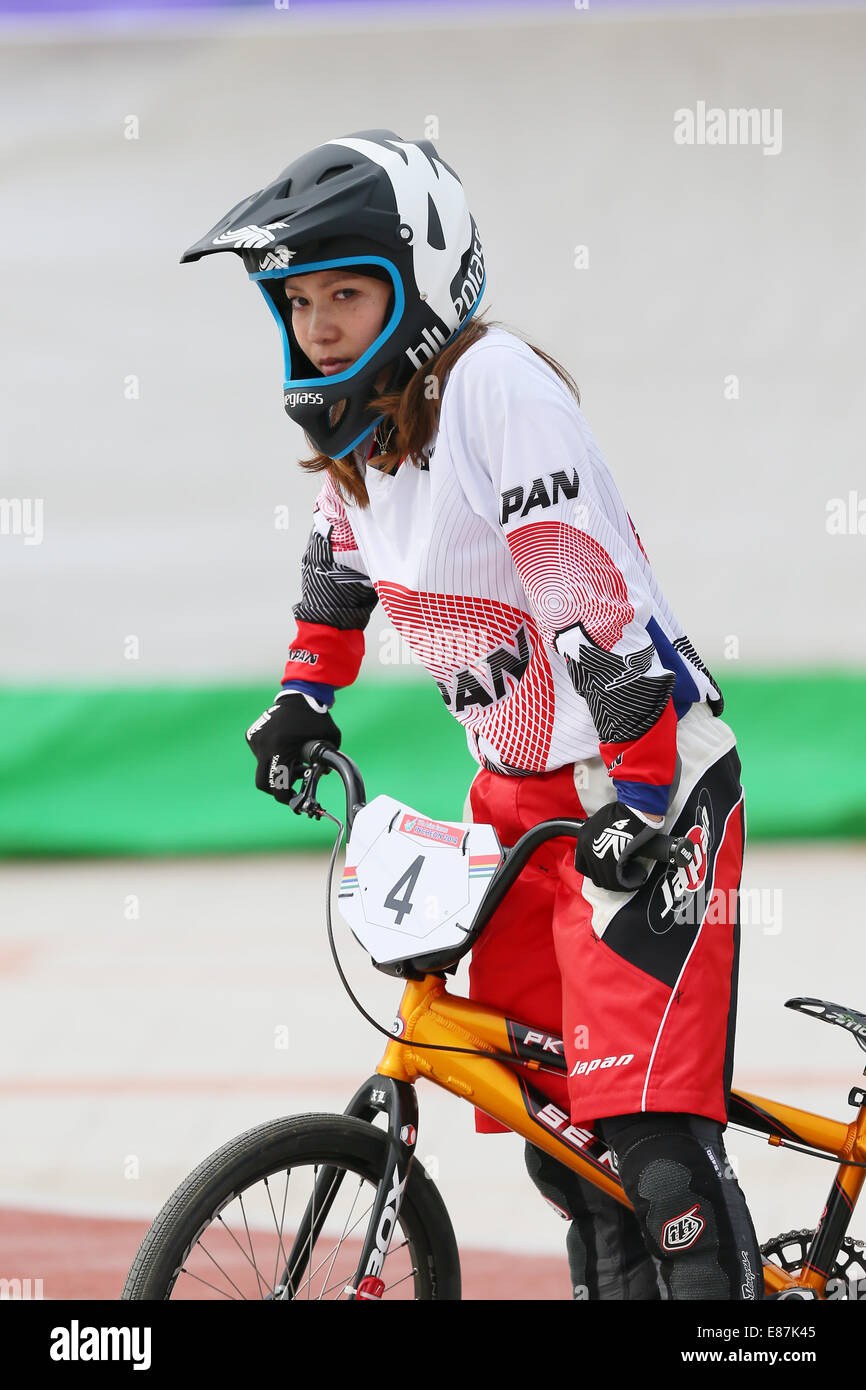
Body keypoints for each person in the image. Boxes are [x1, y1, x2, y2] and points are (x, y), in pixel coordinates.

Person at [181, 129, 763, 1300]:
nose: (320, 326)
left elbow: (588, 600)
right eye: (297, 302)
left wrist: (643, 797)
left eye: (347, 293)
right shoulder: (368, 426)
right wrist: (305, 694)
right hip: (519, 795)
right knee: (570, 1153)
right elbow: (338, 566)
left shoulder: (495, 389)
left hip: (640, 779)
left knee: (652, 1160)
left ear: (422, 284)